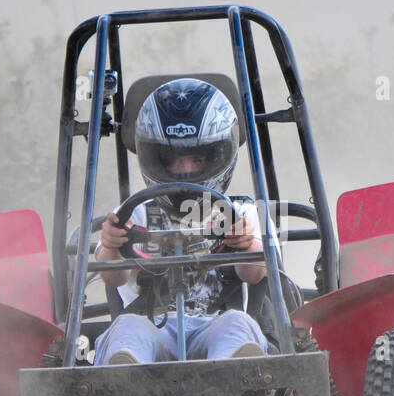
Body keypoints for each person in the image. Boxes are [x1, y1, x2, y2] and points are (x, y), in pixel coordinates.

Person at [92, 78, 270, 366]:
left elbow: (254, 274)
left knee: (237, 323)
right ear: (157, 160)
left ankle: (233, 372)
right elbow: (113, 279)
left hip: (215, 327)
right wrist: (111, 246)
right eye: (175, 161)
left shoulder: (243, 213)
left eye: (197, 159)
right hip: (152, 330)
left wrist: (246, 242)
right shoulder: (132, 213)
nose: (186, 171)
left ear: (217, 155)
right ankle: (125, 379)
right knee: (126, 327)